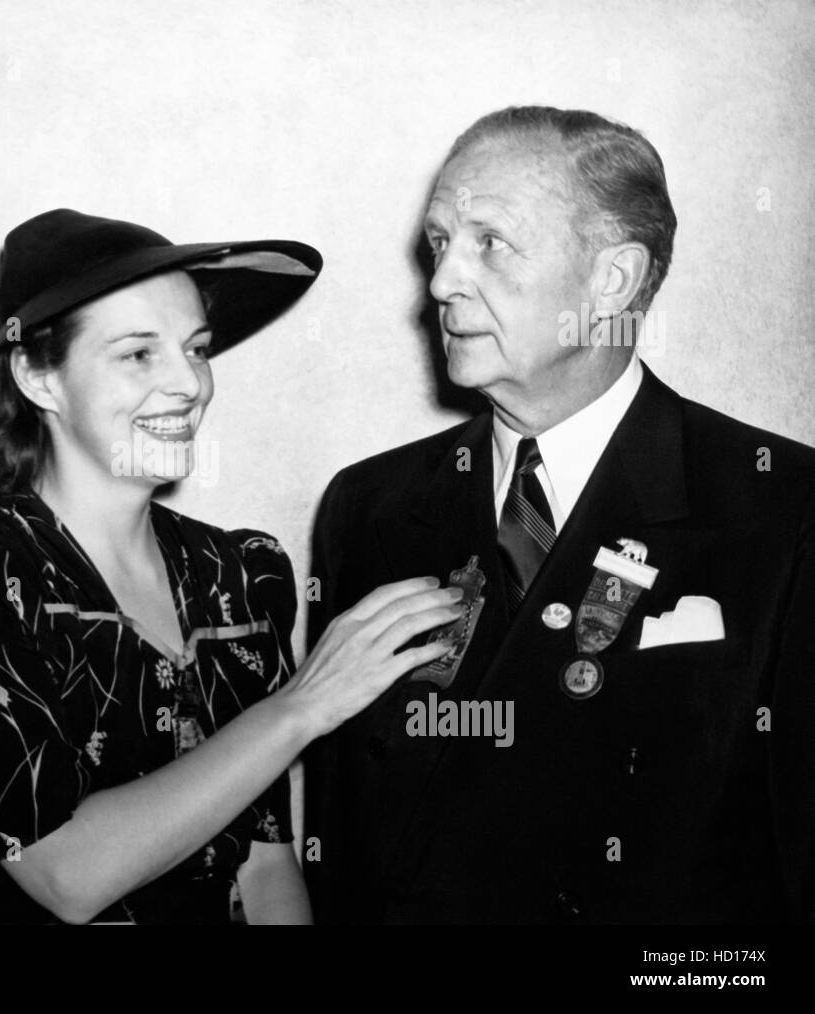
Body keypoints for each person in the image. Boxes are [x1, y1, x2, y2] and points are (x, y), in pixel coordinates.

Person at [302, 106, 815, 924]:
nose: (440, 284)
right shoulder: (370, 507)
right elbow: (342, 843)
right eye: (438, 243)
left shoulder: (779, 506)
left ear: (610, 278)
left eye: (489, 243)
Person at [0, 209, 463, 924]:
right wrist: (303, 708)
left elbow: (264, 862)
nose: (189, 384)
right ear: (39, 378)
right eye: (139, 354)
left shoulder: (237, 573)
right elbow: (67, 874)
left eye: (196, 349)